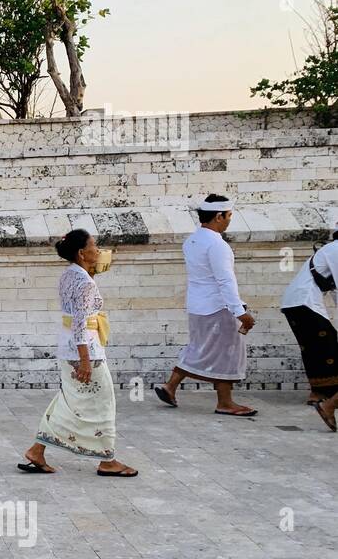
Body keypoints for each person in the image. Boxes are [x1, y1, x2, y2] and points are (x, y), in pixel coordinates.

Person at [19, 229, 137, 477]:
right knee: (103, 402)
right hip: (86, 351)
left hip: (67, 346)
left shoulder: (69, 274)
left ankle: (37, 450)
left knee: (70, 400)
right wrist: (85, 361)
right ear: (83, 253)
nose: (99, 249)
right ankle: (107, 460)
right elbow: (81, 322)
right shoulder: (84, 281)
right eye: (94, 245)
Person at [155, 194, 257, 415]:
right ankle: (225, 402)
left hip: (197, 305)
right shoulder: (217, 245)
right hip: (218, 307)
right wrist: (240, 311)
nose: (230, 220)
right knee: (226, 353)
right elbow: (225, 281)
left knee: (199, 348)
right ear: (219, 216)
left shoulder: (191, 241)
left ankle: (170, 386)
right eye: (229, 216)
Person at [279, 224, 338, 431]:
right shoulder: (337, 249)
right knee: (326, 347)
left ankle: (321, 395)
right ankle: (323, 397)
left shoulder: (330, 249)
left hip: (296, 302)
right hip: (304, 301)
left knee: (317, 347)